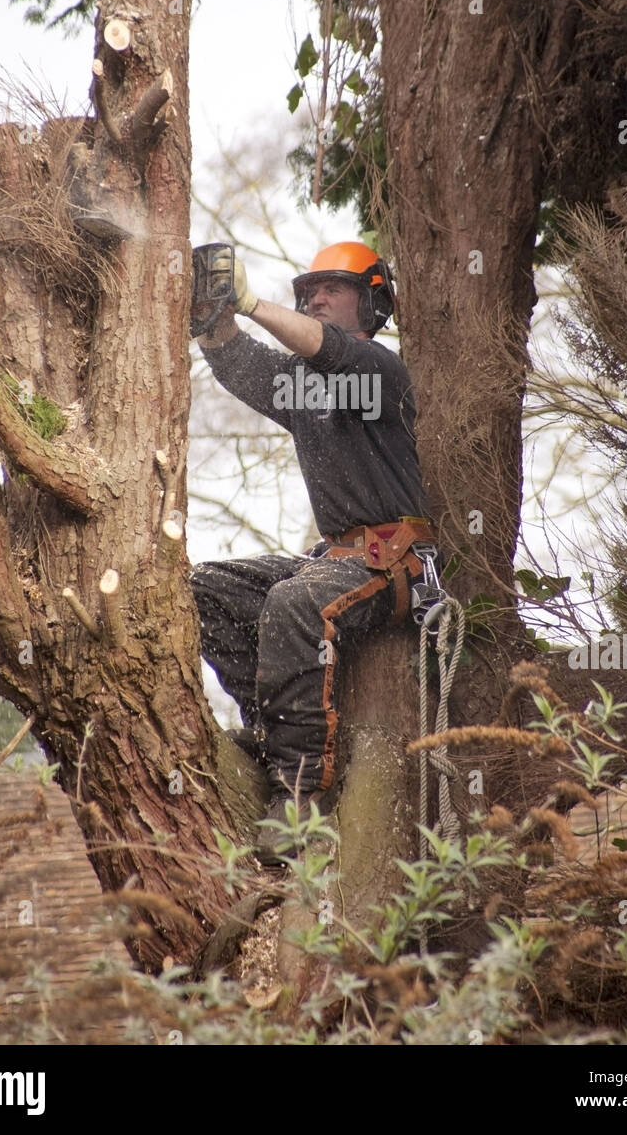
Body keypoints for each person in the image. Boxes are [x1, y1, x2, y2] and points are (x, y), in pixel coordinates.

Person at [191, 241, 436, 862]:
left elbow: (332, 351)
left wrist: (251, 302)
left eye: (334, 288)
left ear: (372, 300)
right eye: (309, 290)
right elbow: (239, 365)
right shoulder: (304, 390)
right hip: (332, 559)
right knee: (204, 589)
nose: (317, 297)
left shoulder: (381, 371)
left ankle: (302, 793)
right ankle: (276, 739)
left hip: (393, 561)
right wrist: (212, 316)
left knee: (294, 603)